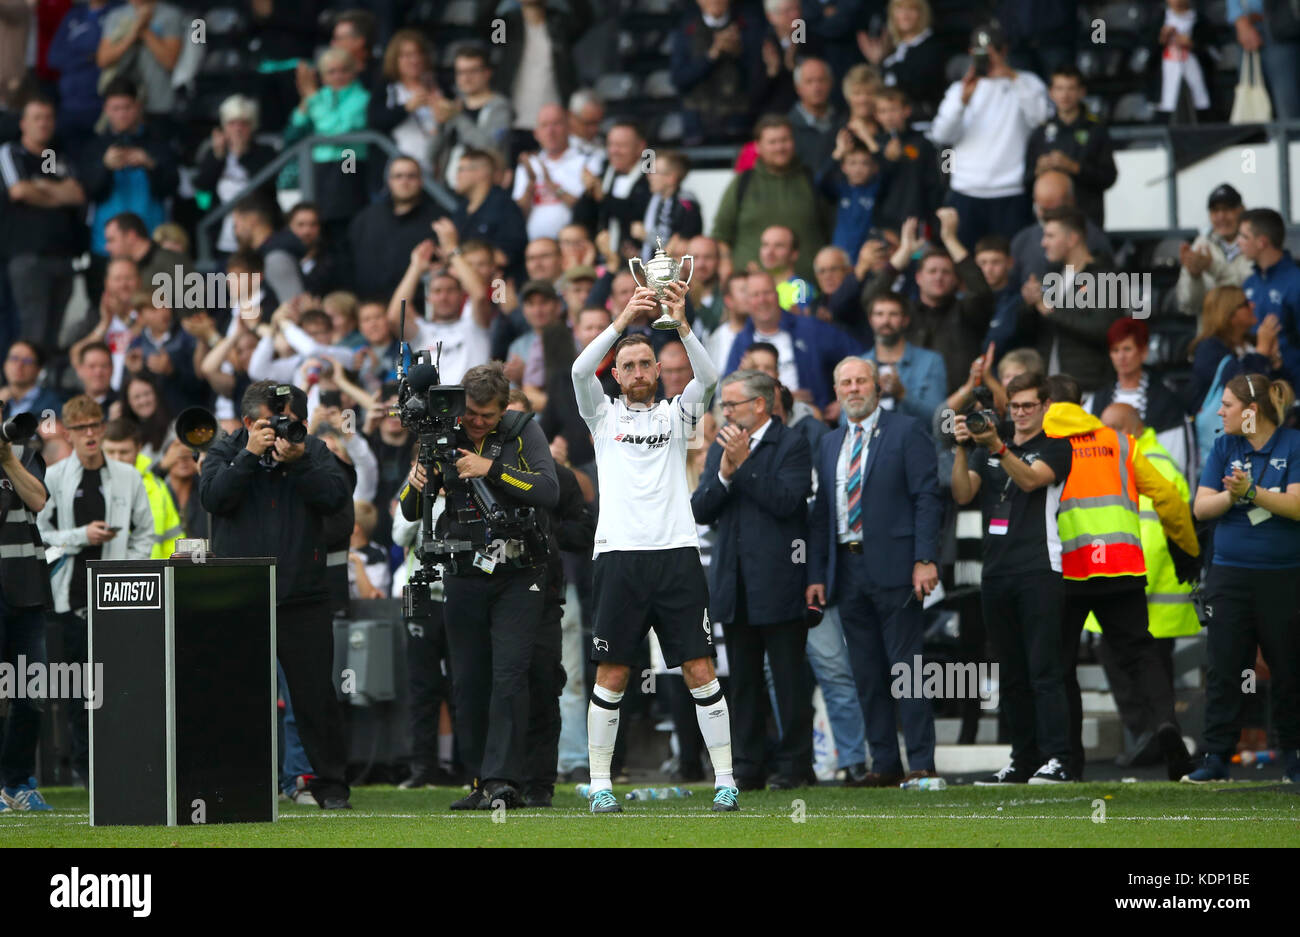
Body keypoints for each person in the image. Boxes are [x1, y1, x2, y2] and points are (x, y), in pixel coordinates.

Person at [571, 281, 740, 813]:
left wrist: (681, 322)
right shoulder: (601, 416)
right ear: (617, 375)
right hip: (619, 556)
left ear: (660, 372)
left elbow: (709, 378)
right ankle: (601, 784)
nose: (641, 372)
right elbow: (579, 371)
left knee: (699, 669)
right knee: (613, 672)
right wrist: (622, 321)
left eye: (648, 364)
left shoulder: (678, 416)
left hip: (676, 555)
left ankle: (726, 781)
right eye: (631, 365)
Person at [397, 364, 559, 809]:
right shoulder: (442, 433)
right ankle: (479, 780)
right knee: (467, 682)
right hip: (463, 571)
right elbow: (411, 511)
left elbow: (548, 490)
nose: (477, 422)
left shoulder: (524, 431)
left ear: (504, 408)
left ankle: (504, 780)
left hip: (519, 573)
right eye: (470, 413)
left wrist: (490, 468)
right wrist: (416, 481)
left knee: (510, 676)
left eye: (487, 415)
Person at [199, 380, 354, 809]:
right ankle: (235, 783)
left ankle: (331, 785)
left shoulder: (314, 452)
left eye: (291, 419)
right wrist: (250, 455)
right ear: (249, 422)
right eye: (273, 421)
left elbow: (337, 499)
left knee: (315, 699)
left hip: (303, 597)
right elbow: (213, 498)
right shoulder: (225, 451)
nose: (283, 429)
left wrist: (300, 462)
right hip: (240, 598)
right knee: (236, 695)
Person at [1041, 373, 1201, 781]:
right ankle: (1166, 724)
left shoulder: (1043, 445)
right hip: (1122, 564)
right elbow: (1167, 497)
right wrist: (1187, 550)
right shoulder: (1121, 443)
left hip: (1068, 568)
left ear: (1046, 404)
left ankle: (1070, 761)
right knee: (1142, 654)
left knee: (1060, 667)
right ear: (1082, 404)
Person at [806, 357, 942, 786]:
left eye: (861, 380)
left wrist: (925, 558)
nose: (853, 388)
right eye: (845, 382)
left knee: (908, 669)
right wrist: (815, 574)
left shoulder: (906, 430)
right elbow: (821, 516)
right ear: (836, 390)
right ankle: (883, 764)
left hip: (898, 567)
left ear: (876, 386)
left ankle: (920, 762)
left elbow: (927, 498)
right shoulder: (830, 443)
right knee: (866, 673)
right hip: (846, 570)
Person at [691, 369, 813, 789]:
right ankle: (747, 766)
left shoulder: (793, 443)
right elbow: (701, 509)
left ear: (760, 405)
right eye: (723, 405)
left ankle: (796, 767)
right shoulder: (722, 446)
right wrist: (725, 473)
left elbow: (786, 502)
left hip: (779, 582)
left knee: (788, 681)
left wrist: (742, 467)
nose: (725, 412)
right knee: (741, 683)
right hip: (734, 584)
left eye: (732, 405)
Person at [952, 371, 1073, 783]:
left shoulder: (1056, 447)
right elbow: (963, 493)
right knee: (1012, 672)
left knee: (1045, 669)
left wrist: (997, 446)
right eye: (1015, 406)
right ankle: (1023, 758)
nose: (1020, 413)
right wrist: (959, 447)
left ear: (1045, 407)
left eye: (1028, 406)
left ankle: (1058, 757)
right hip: (997, 569)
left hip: (1040, 567)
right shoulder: (990, 443)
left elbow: (1031, 479)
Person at [1187, 373, 1300, 782]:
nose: (1219, 412)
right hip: (1229, 575)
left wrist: (1251, 492)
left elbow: (1297, 506)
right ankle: (1216, 756)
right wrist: (1232, 496)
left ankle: (1294, 755)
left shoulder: (1294, 444)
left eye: (1227, 406)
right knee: (1224, 667)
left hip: (1283, 576)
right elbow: (1201, 508)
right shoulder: (1223, 446)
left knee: (1289, 668)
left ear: (1250, 412)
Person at [37, 396, 153, 786]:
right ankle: (86, 770)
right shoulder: (53, 477)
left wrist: (128, 577)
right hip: (70, 600)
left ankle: (122, 762)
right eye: (81, 428)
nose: (90, 434)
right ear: (68, 433)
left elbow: (145, 534)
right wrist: (79, 537)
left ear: (103, 428)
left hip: (118, 601)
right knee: (77, 692)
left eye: (95, 426)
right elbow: (40, 538)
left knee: (121, 686)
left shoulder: (127, 476)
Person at [1095, 403, 1202, 766]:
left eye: (1110, 427)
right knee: (1147, 666)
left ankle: (1152, 734)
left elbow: (1154, 535)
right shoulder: (1135, 456)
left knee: (1133, 660)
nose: (1102, 433)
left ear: (1130, 429)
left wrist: (1131, 585)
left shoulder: (1147, 460)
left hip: (1143, 589)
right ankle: (1158, 734)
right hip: (1144, 589)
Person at [504, 391, 594, 807]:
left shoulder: (560, 477)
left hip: (544, 595)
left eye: (521, 422)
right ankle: (494, 778)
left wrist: (543, 534)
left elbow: (584, 532)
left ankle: (540, 783)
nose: (513, 431)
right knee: (497, 688)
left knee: (544, 684)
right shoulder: (474, 471)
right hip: (492, 596)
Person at [929, 22, 1049, 248]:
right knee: (961, 259)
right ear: (971, 53)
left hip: (1010, 190)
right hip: (965, 189)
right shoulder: (959, 89)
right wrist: (962, 101)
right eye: (981, 52)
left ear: (1004, 51)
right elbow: (941, 134)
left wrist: (1013, 77)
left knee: (1010, 260)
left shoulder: (1027, 82)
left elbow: (1041, 118)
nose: (988, 57)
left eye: (993, 51)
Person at [862, 208, 992, 396]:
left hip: (960, 405)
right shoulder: (905, 313)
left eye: (946, 272)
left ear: (956, 279)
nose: (938, 277)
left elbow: (981, 292)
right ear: (918, 277)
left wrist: (950, 240)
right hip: (912, 405)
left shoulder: (968, 312)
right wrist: (905, 251)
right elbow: (872, 298)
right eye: (932, 271)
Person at [0, 407, 56, 811]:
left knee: (31, 690)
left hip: (26, 589)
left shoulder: (22, 449)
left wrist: (6, 459)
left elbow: (37, 499)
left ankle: (17, 782)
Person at [0, 97, 86, 351]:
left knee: (54, 332)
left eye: (48, 118)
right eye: (37, 118)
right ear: (24, 123)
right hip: (28, 255)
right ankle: (26, 386)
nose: (43, 124)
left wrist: (43, 187)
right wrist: (58, 196)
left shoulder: (51, 156)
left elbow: (77, 194)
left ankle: (47, 383)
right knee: (31, 330)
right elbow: (19, 191)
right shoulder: (12, 151)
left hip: (61, 255)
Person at [1019, 207, 1124, 394]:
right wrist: (1029, 305)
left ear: (1072, 238)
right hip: (1050, 388)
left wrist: (1049, 311)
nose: (1043, 243)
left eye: (1050, 236)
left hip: (1088, 388)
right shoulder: (1052, 277)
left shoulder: (1105, 277)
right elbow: (1031, 332)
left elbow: (1104, 329)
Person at [712, 115, 828, 283]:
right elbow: (721, 234)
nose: (780, 147)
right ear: (758, 146)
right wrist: (725, 265)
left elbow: (832, 231)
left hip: (805, 289)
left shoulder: (812, 180)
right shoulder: (742, 182)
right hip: (752, 290)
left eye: (785, 140)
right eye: (772, 142)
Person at [726, 270, 862, 411]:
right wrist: (785, 397)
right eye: (755, 295)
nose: (762, 300)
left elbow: (857, 356)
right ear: (747, 302)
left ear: (777, 296)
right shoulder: (741, 341)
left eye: (767, 293)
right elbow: (728, 392)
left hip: (811, 419)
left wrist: (842, 400)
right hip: (759, 420)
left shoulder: (810, 329)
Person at [1022, 65, 1116, 230]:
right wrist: (1038, 171)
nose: (1065, 95)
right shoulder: (1040, 132)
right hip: (1049, 223)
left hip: (1087, 219)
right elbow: (1025, 180)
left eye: (1071, 88)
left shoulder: (1095, 129)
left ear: (1082, 92)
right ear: (1051, 93)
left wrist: (1074, 167)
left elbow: (1109, 177)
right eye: (1059, 88)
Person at [348, 155, 448, 301]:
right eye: (398, 176)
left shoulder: (439, 220)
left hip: (418, 308)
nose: (404, 182)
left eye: (411, 176)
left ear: (421, 181)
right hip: (370, 309)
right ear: (389, 181)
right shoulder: (366, 218)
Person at [671, 0, 767, 144]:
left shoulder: (748, 27)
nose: (715, 1)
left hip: (739, 123)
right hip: (698, 126)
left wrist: (737, 53)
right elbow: (679, 79)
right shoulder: (686, 32)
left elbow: (758, 78)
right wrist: (711, 56)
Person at [194, 96, 278, 257]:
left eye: (243, 124)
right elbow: (202, 187)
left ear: (252, 126)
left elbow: (268, 184)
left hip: (258, 234)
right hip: (223, 235)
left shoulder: (265, 152)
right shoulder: (214, 154)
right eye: (232, 124)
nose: (238, 129)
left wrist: (242, 156)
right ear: (223, 128)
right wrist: (217, 158)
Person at [513, 103, 601, 242]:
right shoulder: (528, 165)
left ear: (569, 128)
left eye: (556, 124)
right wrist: (530, 184)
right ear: (536, 134)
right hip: (535, 247)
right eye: (544, 126)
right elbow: (517, 216)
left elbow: (589, 211)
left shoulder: (587, 161)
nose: (550, 131)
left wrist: (554, 188)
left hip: (573, 246)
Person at [429, 43, 513, 185]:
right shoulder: (454, 105)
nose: (466, 78)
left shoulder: (500, 107)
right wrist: (440, 123)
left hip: (484, 188)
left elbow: (488, 148)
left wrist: (456, 117)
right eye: (460, 72)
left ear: (487, 73)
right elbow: (431, 155)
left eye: (472, 71)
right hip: (449, 188)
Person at [862, 290, 947, 426]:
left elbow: (941, 418)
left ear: (905, 320)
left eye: (893, 314)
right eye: (879, 314)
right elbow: (844, 421)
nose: (886, 321)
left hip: (917, 444)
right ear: (870, 320)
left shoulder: (931, 361)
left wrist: (902, 394)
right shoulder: (859, 365)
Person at [101, 418, 183, 558]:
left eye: (124, 452)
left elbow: (173, 541)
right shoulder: (91, 484)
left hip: (153, 575)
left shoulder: (157, 486)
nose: (117, 458)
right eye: (110, 452)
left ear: (139, 449)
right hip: (104, 576)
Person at [1238, 207, 1300, 381]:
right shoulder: (1249, 283)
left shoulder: (1295, 283)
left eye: (1244, 237)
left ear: (1262, 242)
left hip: (1291, 389)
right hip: (1256, 385)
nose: (1238, 242)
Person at [368, 29, 440, 174]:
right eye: (406, 55)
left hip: (437, 167)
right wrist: (406, 108)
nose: (414, 60)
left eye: (418, 54)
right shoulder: (386, 89)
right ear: (395, 59)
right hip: (398, 169)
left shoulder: (440, 86)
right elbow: (375, 121)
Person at [1175, 184, 1251, 318]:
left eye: (1227, 209)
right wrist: (1194, 277)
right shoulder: (1200, 245)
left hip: (1249, 332)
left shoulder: (1253, 241)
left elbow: (1251, 289)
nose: (1221, 216)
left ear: (1242, 210)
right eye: (1215, 211)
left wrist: (1212, 267)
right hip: (1211, 335)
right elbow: (1188, 305)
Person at [859, 0, 945, 116]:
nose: (905, 15)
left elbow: (918, 86)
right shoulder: (892, 48)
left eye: (911, 9)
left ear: (922, 13)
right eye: (899, 9)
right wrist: (878, 62)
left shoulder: (933, 48)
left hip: (922, 119)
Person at [0, 340, 63, 420]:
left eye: (27, 361)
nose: (19, 365)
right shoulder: (3, 399)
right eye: (14, 358)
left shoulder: (52, 404)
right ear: (5, 364)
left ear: (39, 369)